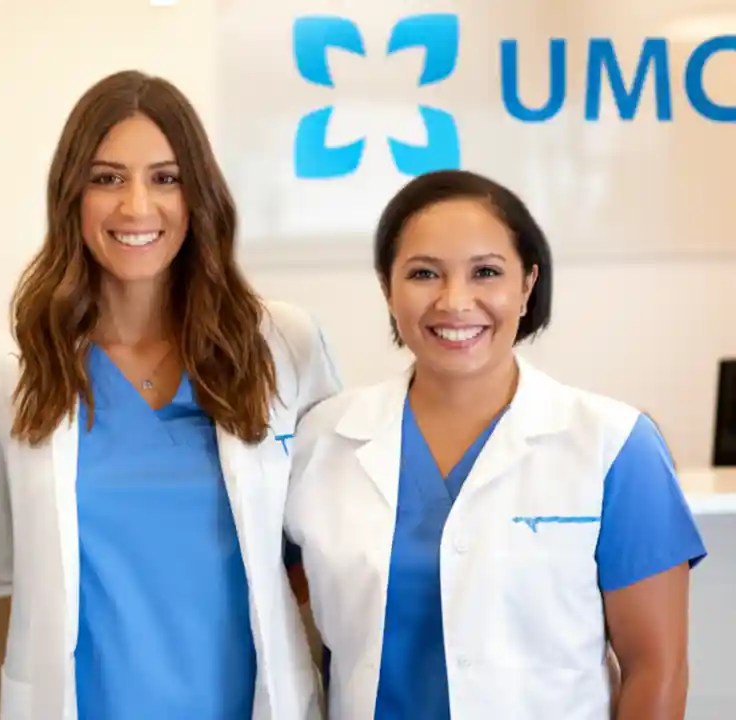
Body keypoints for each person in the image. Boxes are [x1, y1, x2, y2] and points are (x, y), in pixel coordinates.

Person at [0, 70, 341, 720]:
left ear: (199, 194)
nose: (137, 206)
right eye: (106, 178)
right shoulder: (8, 366)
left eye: (166, 178)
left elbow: (335, 541)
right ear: (70, 195)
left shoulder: (284, 344)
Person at [285, 169, 707, 719]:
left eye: (486, 272)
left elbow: (657, 668)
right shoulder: (322, 439)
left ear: (528, 285)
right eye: (423, 273)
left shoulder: (615, 446)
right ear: (387, 288)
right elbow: (281, 622)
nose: (455, 301)